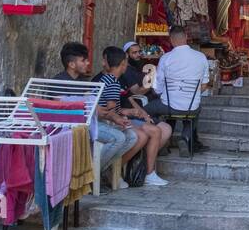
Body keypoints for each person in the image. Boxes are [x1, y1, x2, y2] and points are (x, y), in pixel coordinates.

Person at [53, 41, 141, 188]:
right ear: (71, 64)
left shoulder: (83, 82)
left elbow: (97, 108)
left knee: (131, 135)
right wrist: (92, 108)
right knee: (118, 138)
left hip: (90, 122)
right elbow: (60, 107)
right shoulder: (59, 81)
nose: (88, 63)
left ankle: (100, 170)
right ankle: (90, 176)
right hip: (72, 126)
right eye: (83, 60)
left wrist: (116, 118)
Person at [97, 46, 170, 187]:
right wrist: (123, 116)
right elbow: (110, 110)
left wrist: (130, 112)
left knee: (153, 131)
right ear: (123, 64)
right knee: (146, 134)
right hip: (110, 122)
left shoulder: (110, 79)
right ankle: (112, 170)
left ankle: (126, 171)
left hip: (116, 118)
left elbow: (116, 106)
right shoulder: (112, 82)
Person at [154, 25, 211, 155]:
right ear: (186, 37)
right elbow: (204, 85)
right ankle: (185, 137)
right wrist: (189, 95)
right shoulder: (201, 57)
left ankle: (162, 140)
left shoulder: (165, 58)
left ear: (171, 40)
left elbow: (158, 87)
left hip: (168, 105)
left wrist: (165, 95)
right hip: (191, 106)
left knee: (146, 110)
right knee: (194, 110)